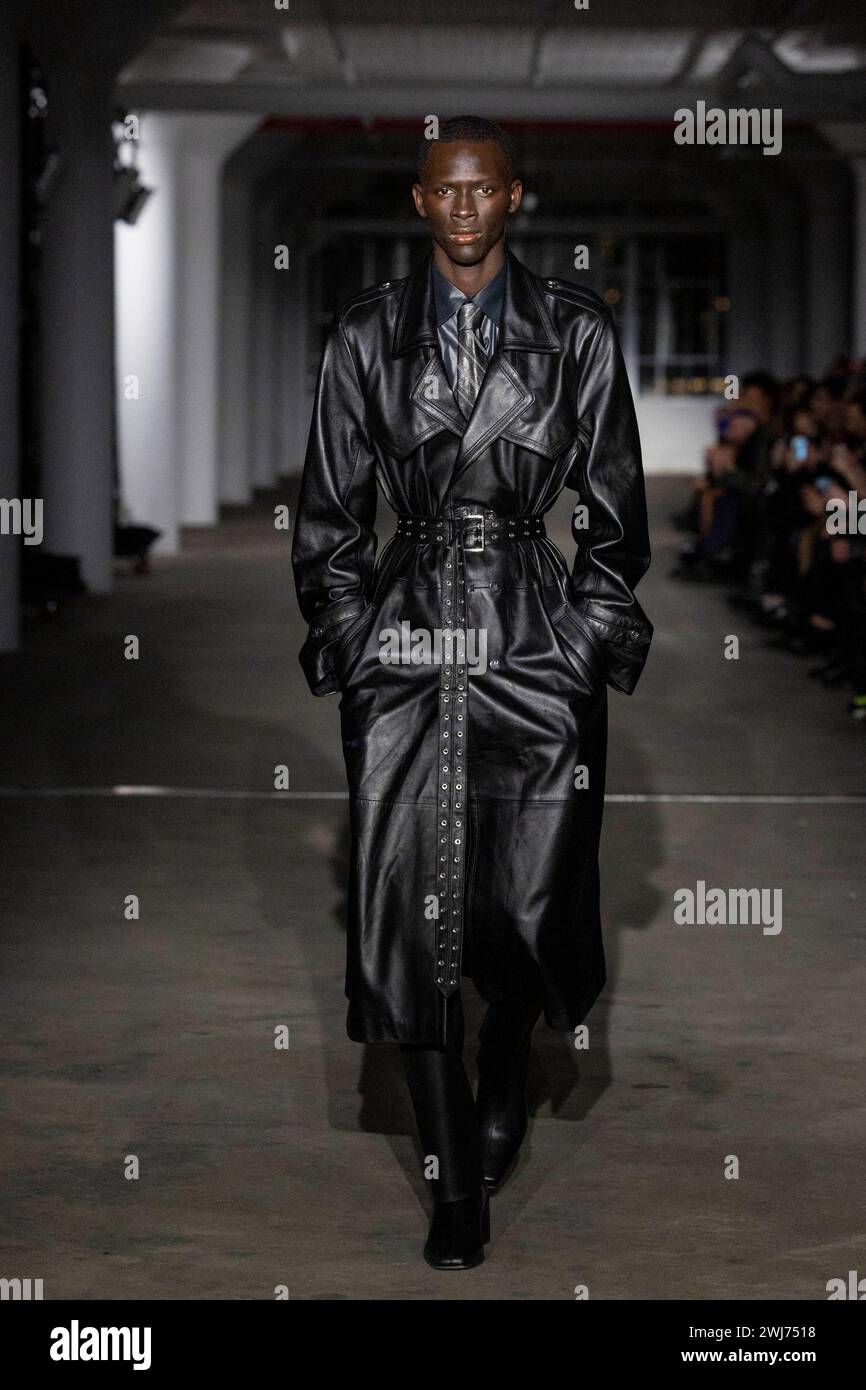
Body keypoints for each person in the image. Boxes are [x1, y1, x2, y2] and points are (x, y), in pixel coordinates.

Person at [291, 116, 653, 1269]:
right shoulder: (362, 338)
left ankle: (510, 1064)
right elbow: (331, 515)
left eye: (480, 190)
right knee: (411, 916)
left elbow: (611, 510)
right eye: (442, 191)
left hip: (533, 632)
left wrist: (589, 638)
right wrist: (350, 639)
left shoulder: (577, 331)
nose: (461, 208)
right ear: (417, 203)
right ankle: (453, 1189)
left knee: (524, 906)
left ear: (511, 201)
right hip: (406, 638)